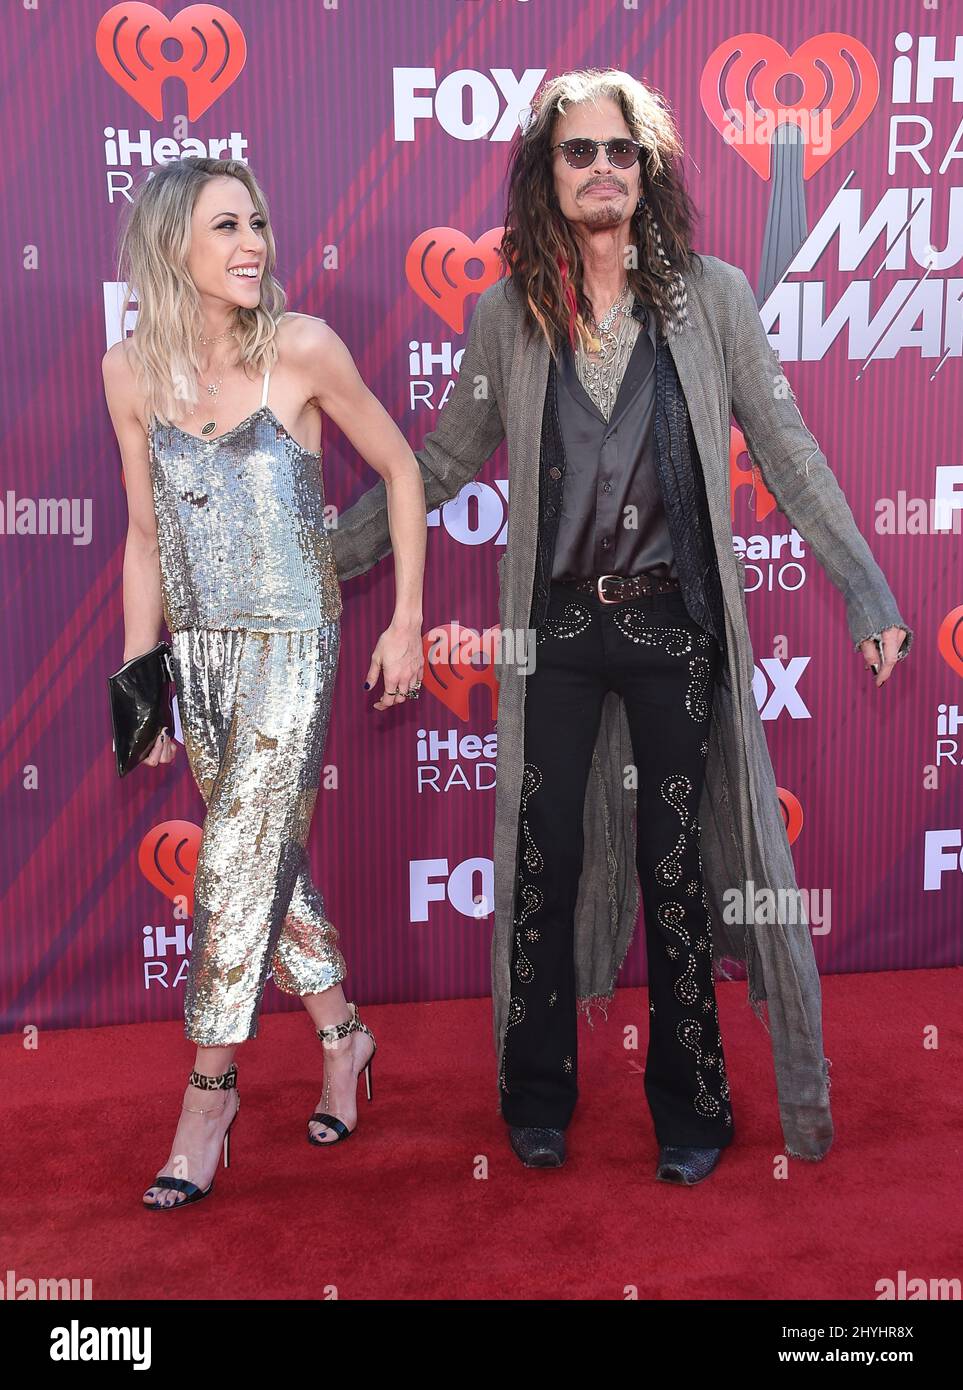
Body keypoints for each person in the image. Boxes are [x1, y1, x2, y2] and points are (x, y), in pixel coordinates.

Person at [329, 69, 913, 1183]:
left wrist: (866, 587)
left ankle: (694, 1111)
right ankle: (536, 1091)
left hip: (671, 637)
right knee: (543, 864)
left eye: (622, 152)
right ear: (546, 175)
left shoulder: (715, 299)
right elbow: (440, 463)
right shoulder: (507, 314)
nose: (603, 169)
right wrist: (326, 556)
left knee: (679, 871)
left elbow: (789, 455)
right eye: (579, 152)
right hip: (552, 638)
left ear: (650, 172)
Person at [103, 156, 427, 1208]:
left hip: (294, 643)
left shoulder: (299, 348)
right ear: (170, 250)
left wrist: (410, 621)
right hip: (196, 656)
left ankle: (208, 1099)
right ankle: (345, 1034)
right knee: (263, 866)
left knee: (237, 861)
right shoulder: (129, 372)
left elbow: (403, 470)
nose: (254, 243)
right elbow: (146, 538)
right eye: (226, 226)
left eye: (258, 221)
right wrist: (142, 689)